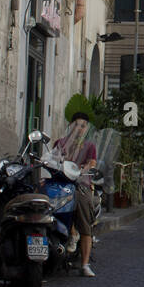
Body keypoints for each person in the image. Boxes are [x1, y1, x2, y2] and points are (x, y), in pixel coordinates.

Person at [53, 112, 98, 277]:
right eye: (77, 124)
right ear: (71, 126)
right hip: (61, 183)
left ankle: (85, 264)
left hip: (80, 184)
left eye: (83, 125)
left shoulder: (89, 146)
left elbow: (92, 162)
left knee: (85, 222)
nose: (80, 128)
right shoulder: (60, 143)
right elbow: (53, 158)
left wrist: (82, 170)